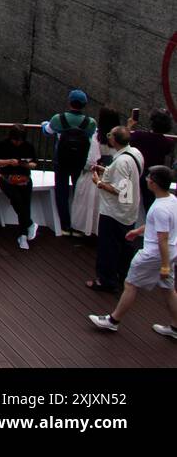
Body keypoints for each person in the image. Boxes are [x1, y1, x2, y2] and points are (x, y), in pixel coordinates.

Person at [88, 166, 177, 341]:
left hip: (154, 255)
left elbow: (162, 239)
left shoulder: (159, 208)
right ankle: (176, 327)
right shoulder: (172, 200)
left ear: (154, 183)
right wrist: (138, 232)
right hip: (170, 252)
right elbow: (162, 228)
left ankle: (113, 320)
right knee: (168, 290)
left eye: (149, 177)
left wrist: (165, 265)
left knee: (130, 284)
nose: (146, 179)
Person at [86, 127, 145, 294]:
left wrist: (98, 182)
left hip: (114, 212)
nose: (108, 136)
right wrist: (107, 171)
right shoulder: (135, 153)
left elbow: (121, 191)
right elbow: (128, 178)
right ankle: (123, 276)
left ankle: (105, 280)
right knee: (126, 246)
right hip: (130, 210)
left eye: (110, 134)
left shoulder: (120, 162)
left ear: (114, 141)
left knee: (108, 247)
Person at [44, 89, 97, 235]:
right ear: (84, 104)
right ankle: (78, 225)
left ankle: (65, 226)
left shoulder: (58, 119)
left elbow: (47, 131)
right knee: (79, 192)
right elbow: (94, 139)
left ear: (69, 102)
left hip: (60, 161)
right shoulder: (90, 123)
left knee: (61, 192)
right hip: (80, 162)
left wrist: (44, 124)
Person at [0, 124, 40, 250]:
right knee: (17, 200)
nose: (17, 143)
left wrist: (25, 164)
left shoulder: (28, 146)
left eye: (20, 140)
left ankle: (23, 235)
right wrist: (9, 161)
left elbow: (34, 163)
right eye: (15, 140)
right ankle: (29, 224)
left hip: (24, 179)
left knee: (24, 204)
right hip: (6, 179)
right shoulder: (3, 144)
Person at [128, 109, 175, 214]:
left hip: (136, 173)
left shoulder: (139, 136)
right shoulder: (168, 143)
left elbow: (125, 139)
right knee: (149, 205)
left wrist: (130, 126)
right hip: (154, 176)